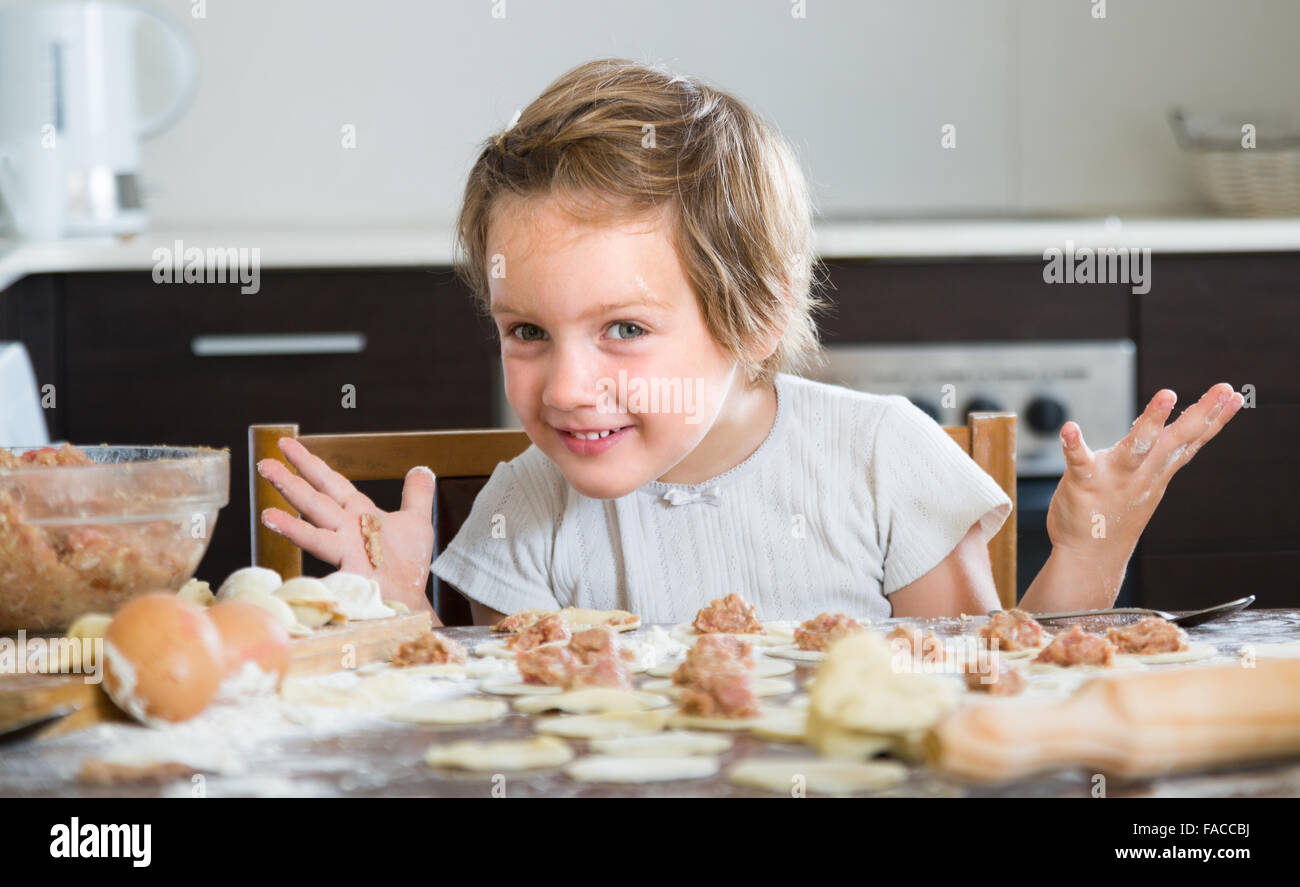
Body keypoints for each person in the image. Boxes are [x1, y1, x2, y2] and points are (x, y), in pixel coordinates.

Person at [255, 59, 1244, 627]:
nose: (564, 386)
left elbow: (989, 684)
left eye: (625, 329)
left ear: (760, 314)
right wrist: (398, 620)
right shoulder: (526, 501)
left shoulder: (875, 458)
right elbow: (498, 738)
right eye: (526, 332)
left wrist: (1088, 545)